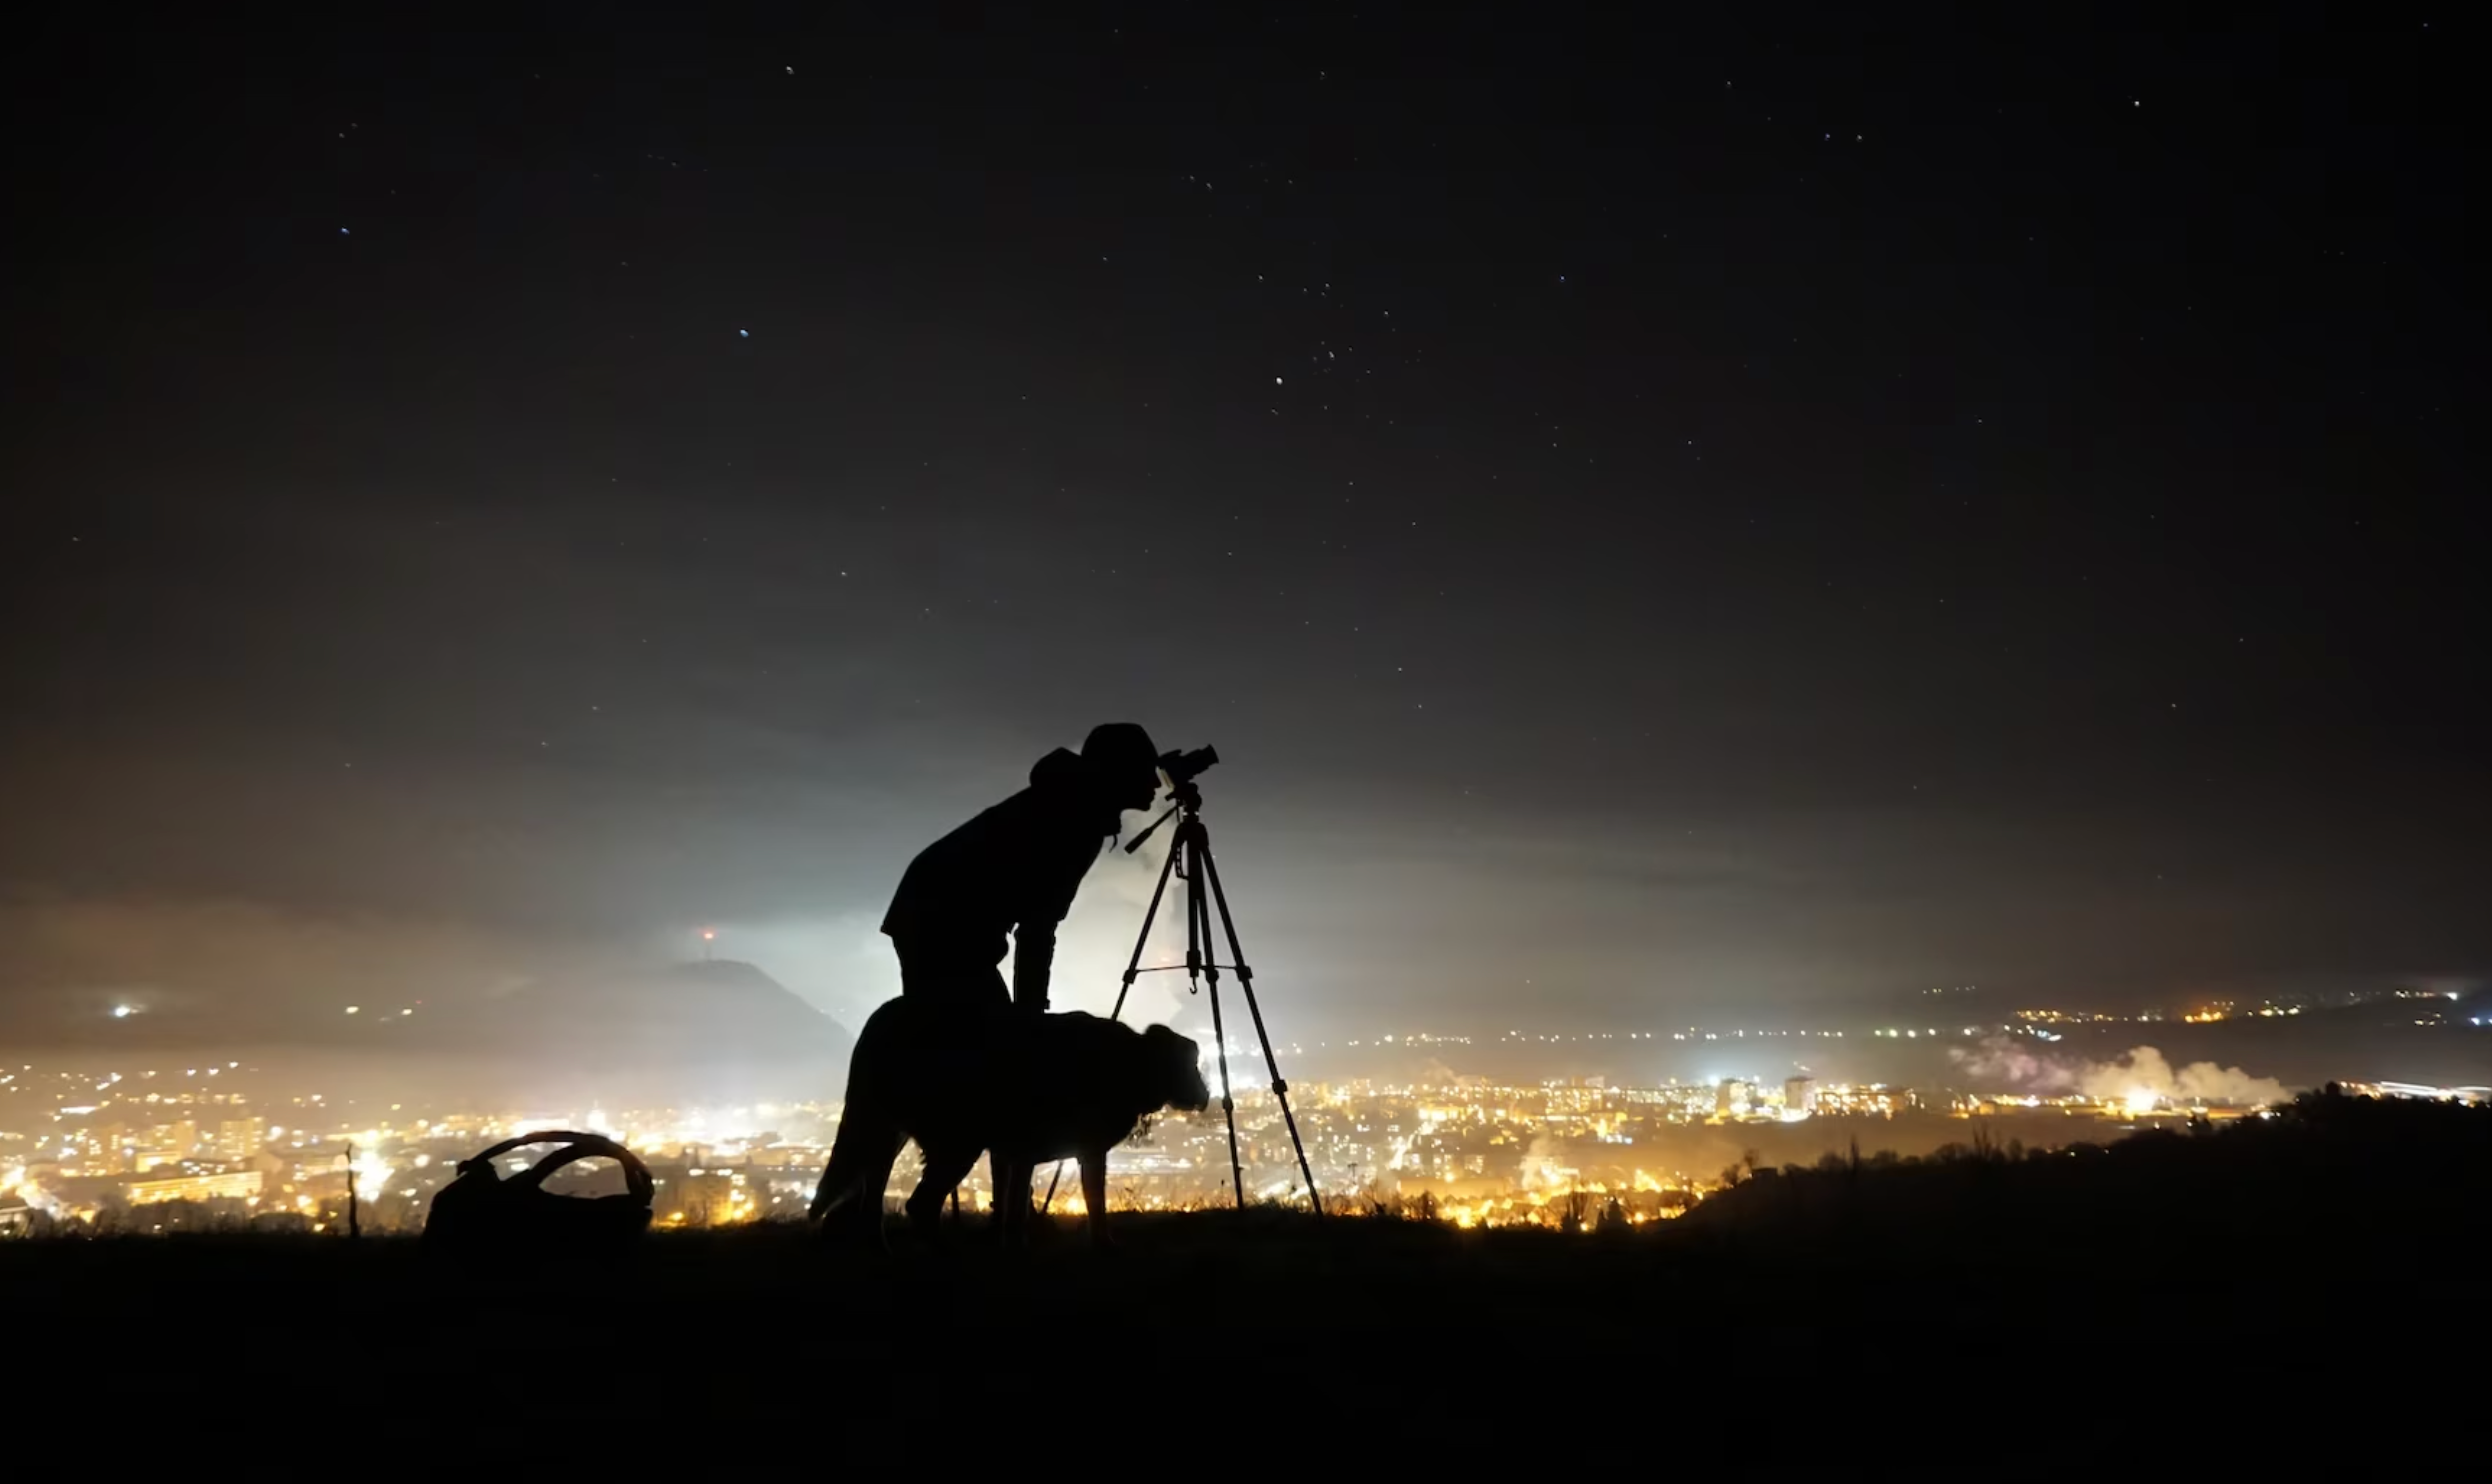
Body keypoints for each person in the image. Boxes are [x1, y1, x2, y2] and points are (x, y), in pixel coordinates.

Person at [879, 723, 1163, 1022]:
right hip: (939, 917)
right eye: (1147, 771)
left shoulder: (1070, 801)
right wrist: (1030, 1014)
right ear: (1122, 771)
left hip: (931, 908)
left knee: (963, 1030)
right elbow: (1037, 927)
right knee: (970, 1035)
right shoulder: (1075, 819)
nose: (1156, 784)